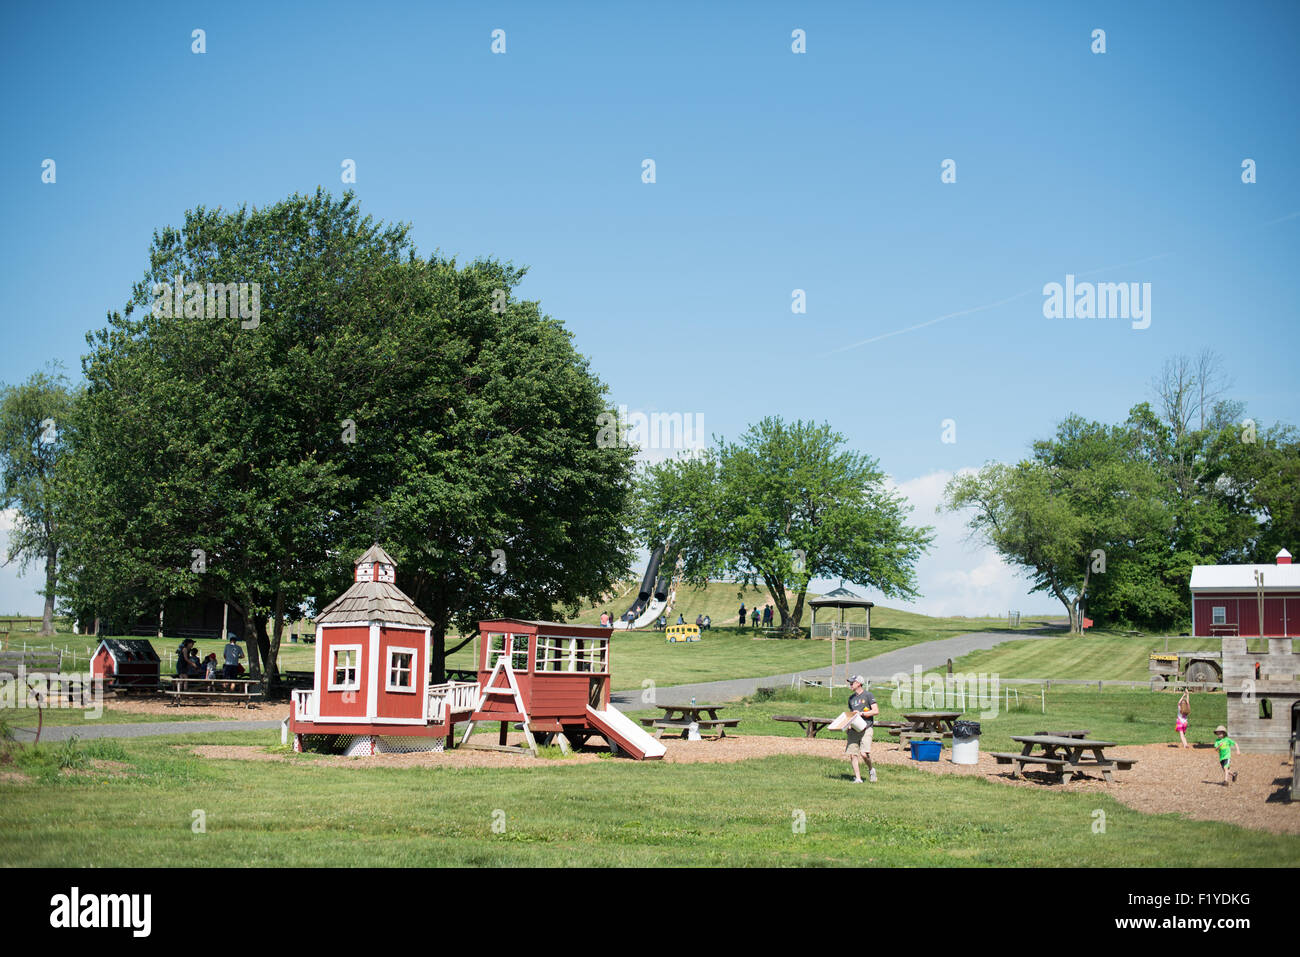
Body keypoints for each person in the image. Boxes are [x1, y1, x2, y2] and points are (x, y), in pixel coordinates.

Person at [845, 675, 879, 783]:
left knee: (864, 753)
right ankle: (858, 778)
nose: (850, 684)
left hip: (866, 727)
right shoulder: (851, 698)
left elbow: (875, 711)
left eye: (852, 683)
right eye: (850, 683)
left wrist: (862, 713)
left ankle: (871, 769)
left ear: (859, 683)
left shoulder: (868, 695)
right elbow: (851, 713)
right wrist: (848, 724)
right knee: (852, 754)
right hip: (853, 729)